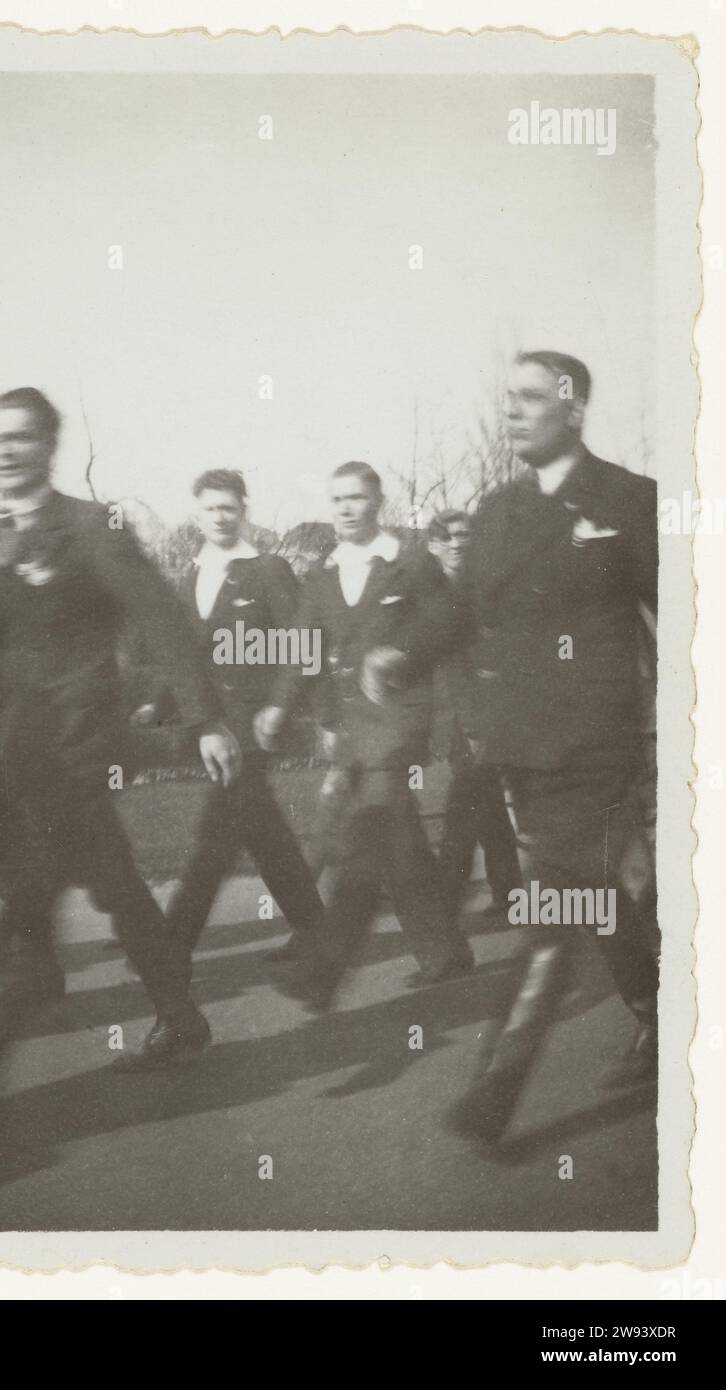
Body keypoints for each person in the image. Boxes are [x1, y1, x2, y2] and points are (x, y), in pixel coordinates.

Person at [0, 387, 242, 1098]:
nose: (3, 451)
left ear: (49, 446)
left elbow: (163, 619)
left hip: (76, 752)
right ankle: (180, 1014)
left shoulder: (91, 527)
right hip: (13, 754)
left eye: (19, 437)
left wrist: (205, 718)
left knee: (40, 894)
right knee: (116, 889)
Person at [448, 351, 659, 1143]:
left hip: (597, 746)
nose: (513, 411)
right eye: (508, 397)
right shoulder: (499, 509)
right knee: (601, 890)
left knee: (554, 908)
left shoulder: (627, 499)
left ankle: (490, 1098)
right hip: (523, 747)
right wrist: (399, 652)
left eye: (531, 398)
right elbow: (461, 611)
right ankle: (659, 1009)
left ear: (573, 408)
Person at [255, 461, 474, 1010]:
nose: (346, 509)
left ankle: (321, 970)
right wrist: (279, 707)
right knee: (399, 843)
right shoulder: (323, 576)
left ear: (377, 502)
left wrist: (402, 653)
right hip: (356, 725)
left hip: (400, 716)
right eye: (337, 500)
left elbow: (451, 617)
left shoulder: (409, 562)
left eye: (356, 498)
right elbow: (300, 647)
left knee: (369, 830)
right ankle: (445, 952)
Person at [145, 469, 324, 966]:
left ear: (244, 510)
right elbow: (183, 653)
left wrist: (279, 705)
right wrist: (158, 705)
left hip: (251, 726)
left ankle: (171, 945)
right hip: (210, 725)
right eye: (209, 508)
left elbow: (302, 646)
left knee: (217, 834)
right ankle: (316, 928)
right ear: (196, 514)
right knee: (261, 829)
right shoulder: (192, 572)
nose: (219, 517)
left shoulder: (267, 569)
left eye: (228, 507)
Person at [427, 509, 521, 923]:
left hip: (481, 719)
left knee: (464, 812)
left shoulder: (486, 592)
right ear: (433, 545)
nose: (457, 544)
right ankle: (510, 897)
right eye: (448, 538)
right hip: (447, 719)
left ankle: (444, 907)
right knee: (487, 810)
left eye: (464, 537)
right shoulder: (427, 592)